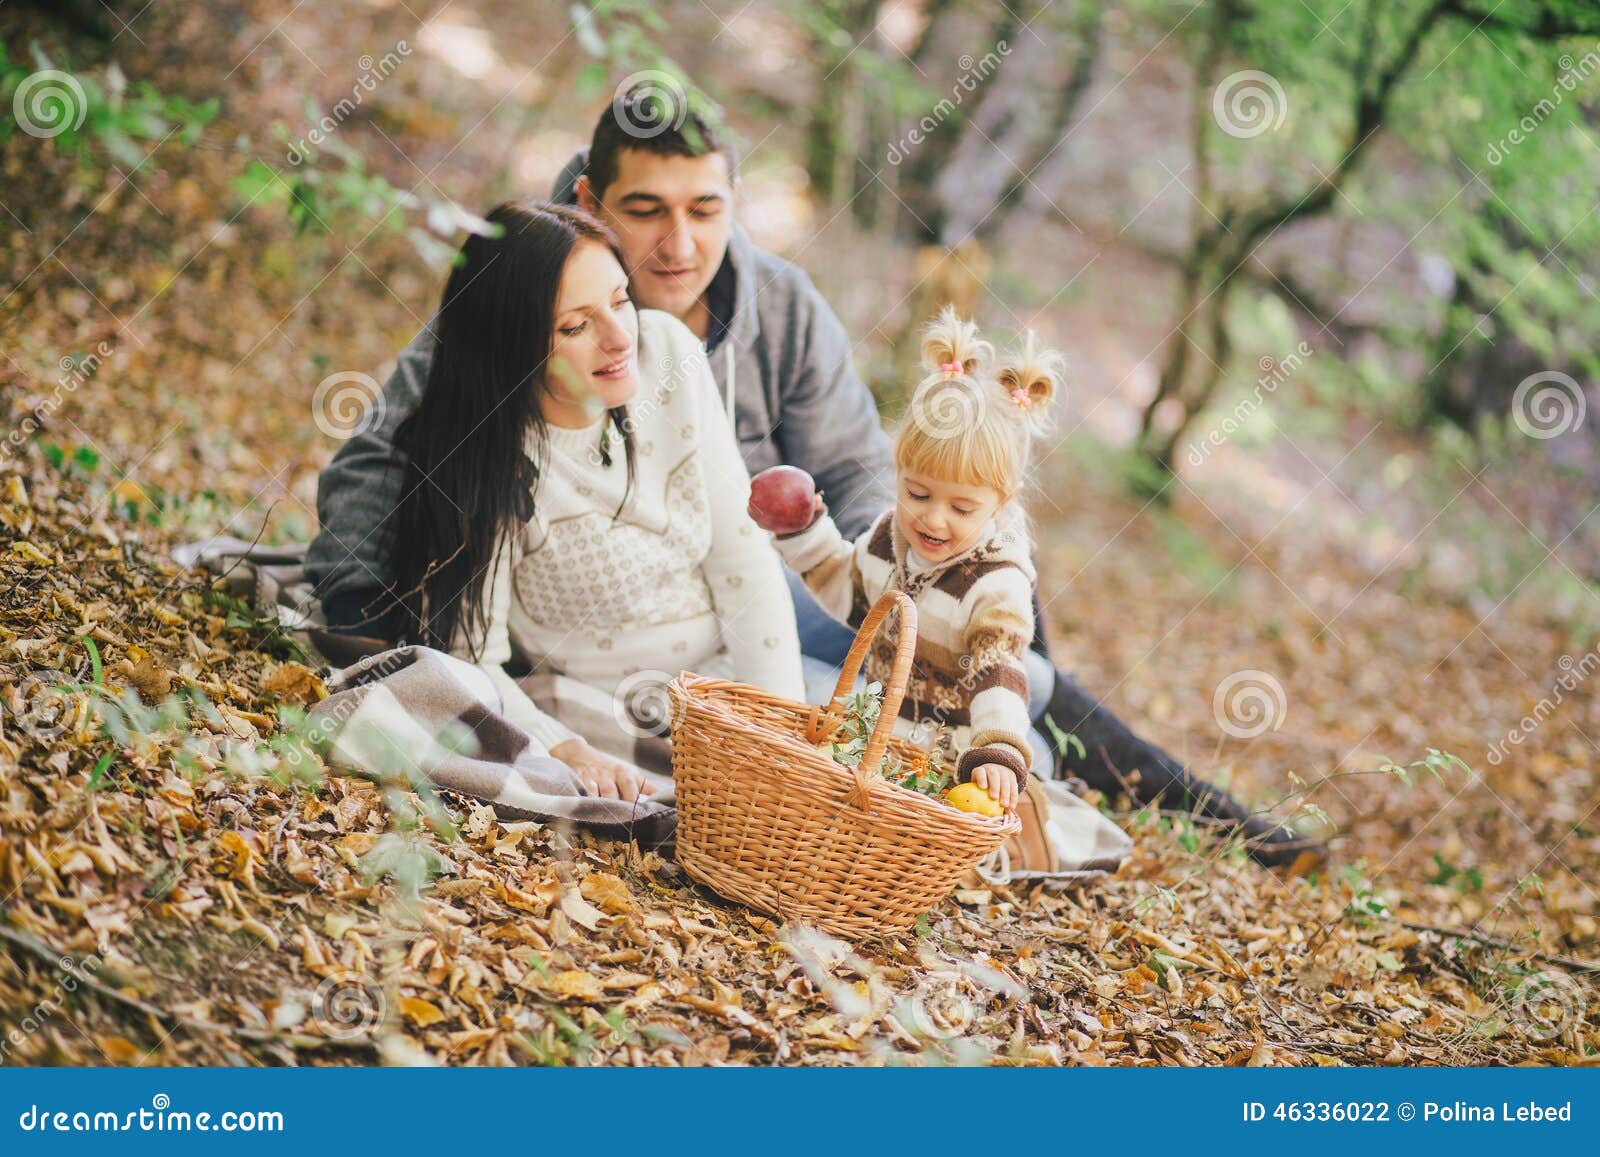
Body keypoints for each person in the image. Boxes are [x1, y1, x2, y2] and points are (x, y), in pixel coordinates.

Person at [304, 81, 1323, 871]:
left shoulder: (781, 310)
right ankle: (1016, 757)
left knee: (1004, 645)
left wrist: (930, 584)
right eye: (645, 212)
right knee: (977, 709)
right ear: (590, 206)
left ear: (733, 206)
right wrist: (354, 608)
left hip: (790, 569)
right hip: (650, 604)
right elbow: (391, 447)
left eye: (706, 209)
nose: (679, 243)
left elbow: (854, 474)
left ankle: (1195, 807)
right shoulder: (528, 296)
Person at [384, 198, 803, 801]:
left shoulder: (669, 353)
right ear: (510, 347)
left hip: (729, 682)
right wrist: (564, 747)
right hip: (601, 712)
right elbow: (471, 659)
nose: (619, 337)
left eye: (620, 299)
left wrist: (783, 733)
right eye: (575, 327)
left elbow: (743, 566)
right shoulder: (487, 462)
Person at [753, 309, 1062, 813]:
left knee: (1019, 758)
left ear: (1001, 504)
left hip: (947, 764)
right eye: (918, 494)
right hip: (877, 742)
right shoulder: (888, 540)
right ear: (898, 472)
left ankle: (1033, 773)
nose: (934, 519)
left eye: (962, 508)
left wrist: (998, 752)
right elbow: (848, 590)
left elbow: (999, 670)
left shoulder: (995, 584)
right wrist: (802, 531)